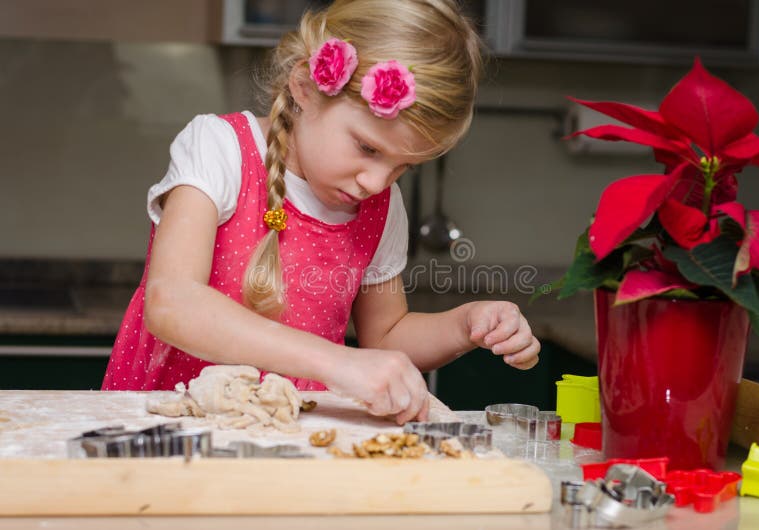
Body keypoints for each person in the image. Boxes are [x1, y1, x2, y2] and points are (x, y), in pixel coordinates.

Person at [102, 0, 541, 424]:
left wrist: (466, 325)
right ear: (305, 88)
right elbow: (174, 302)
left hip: (289, 443)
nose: (376, 182)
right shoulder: (220, 149)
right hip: (169, 433)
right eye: (367, 147)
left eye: (403, 166)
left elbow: (386, 336)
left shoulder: (380, 206)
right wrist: (338, 363)